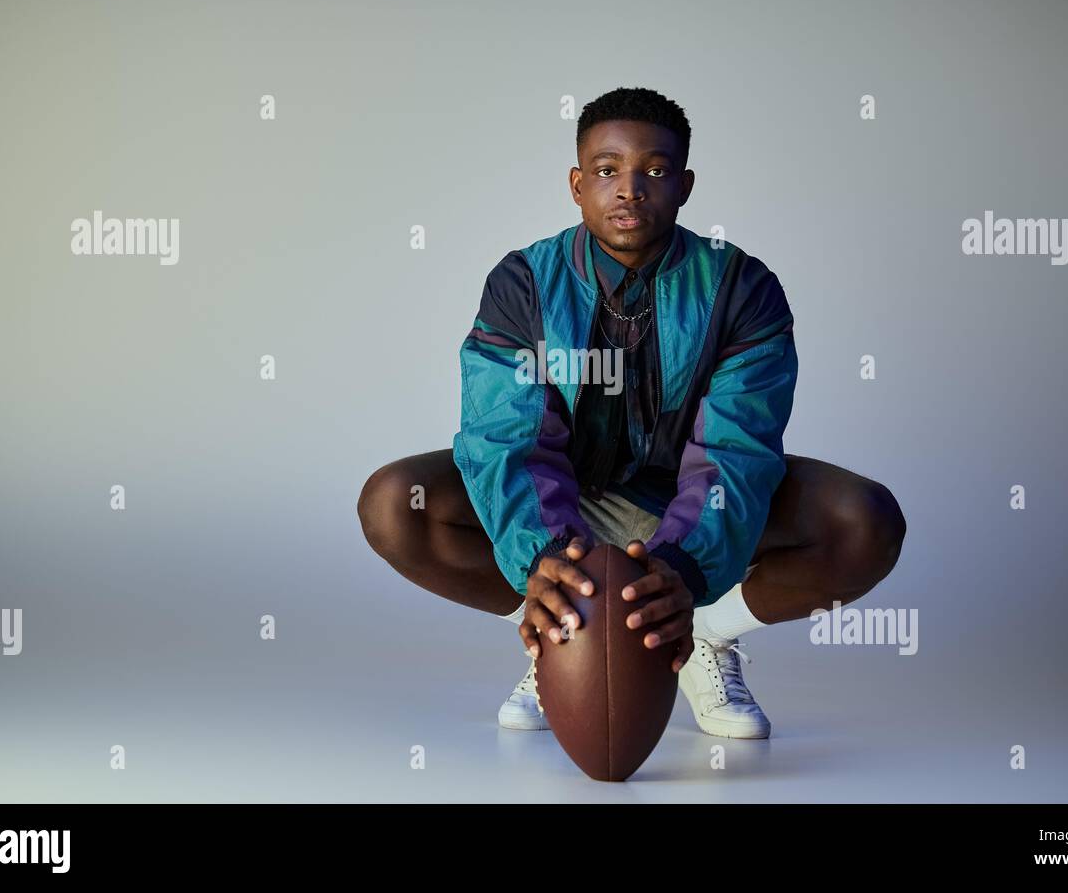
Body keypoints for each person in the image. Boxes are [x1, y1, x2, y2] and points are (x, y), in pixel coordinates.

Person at [359, 87, 906, 739]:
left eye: (654, 170)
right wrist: (546, 558)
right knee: (396, 503)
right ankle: (567, 628)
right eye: (607, 169)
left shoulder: (740, 287)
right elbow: (505, 435)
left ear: (685, 184)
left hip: (694, 509)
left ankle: (699, 631)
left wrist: (682, 568)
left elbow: (738, 447)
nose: (629, 189)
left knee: (864, 521)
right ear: (576, 183)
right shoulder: (524, 282)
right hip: (571, 505)